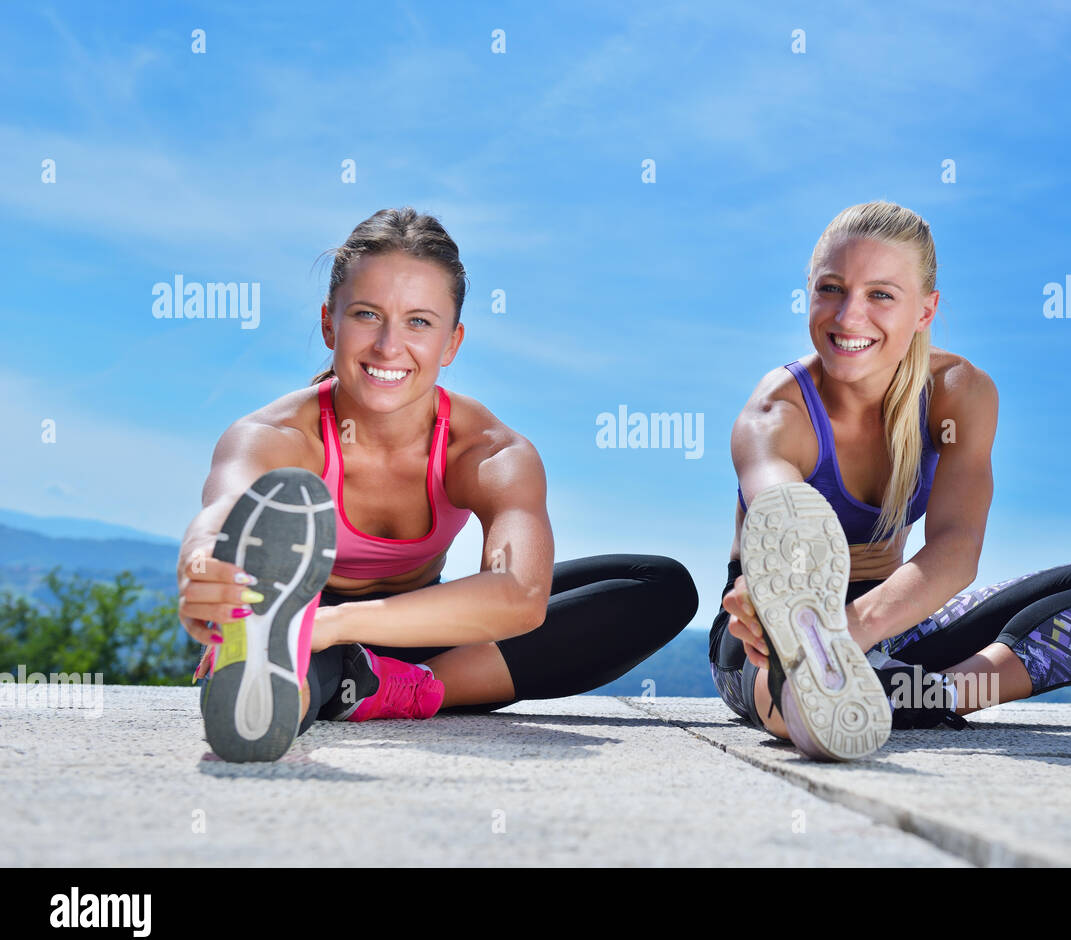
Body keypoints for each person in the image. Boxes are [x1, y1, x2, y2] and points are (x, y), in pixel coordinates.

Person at [176, 207, 698, 762]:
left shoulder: (488, 449)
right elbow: (227, 507)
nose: (388, 346)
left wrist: (333, 623)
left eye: (419, 322)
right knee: (299, 658)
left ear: (452, 342)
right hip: (295, 625)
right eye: (367, 314)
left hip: (407, 624)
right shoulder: (276, 434)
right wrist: (203, 561)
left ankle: (385, 681)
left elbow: (520, 595)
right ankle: (306, 681)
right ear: (329, 323)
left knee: (659, 586)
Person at [713, 201, 1071, 761]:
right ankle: (813, 694)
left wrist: (849, 635)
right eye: (831, 289)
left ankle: (932, 695)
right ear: (808, 292)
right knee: (796, 692)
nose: (849, 316)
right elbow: (778, 520)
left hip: (890, 621)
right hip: (774, 633)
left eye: (881, 294)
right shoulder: (775, 413)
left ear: (925, 311)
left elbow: (956, 550)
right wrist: (786, 619)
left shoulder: (959, 392)